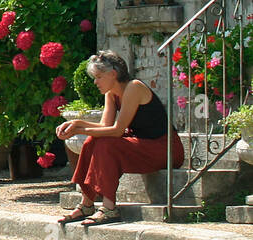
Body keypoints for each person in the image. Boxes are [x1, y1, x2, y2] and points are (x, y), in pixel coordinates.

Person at [55, 50, 183, 225]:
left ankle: (109, 208)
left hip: (164, 148)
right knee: (93, 141)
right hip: (141, 145)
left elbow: (116, 130)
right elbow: (104, 126)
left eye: (99, 76)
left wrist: (80, 130)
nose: (95, 81)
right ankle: (86, 204)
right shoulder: (111, 92)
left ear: (113, 74)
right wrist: (77, 123)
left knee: (108, 145)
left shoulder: (134, 87)